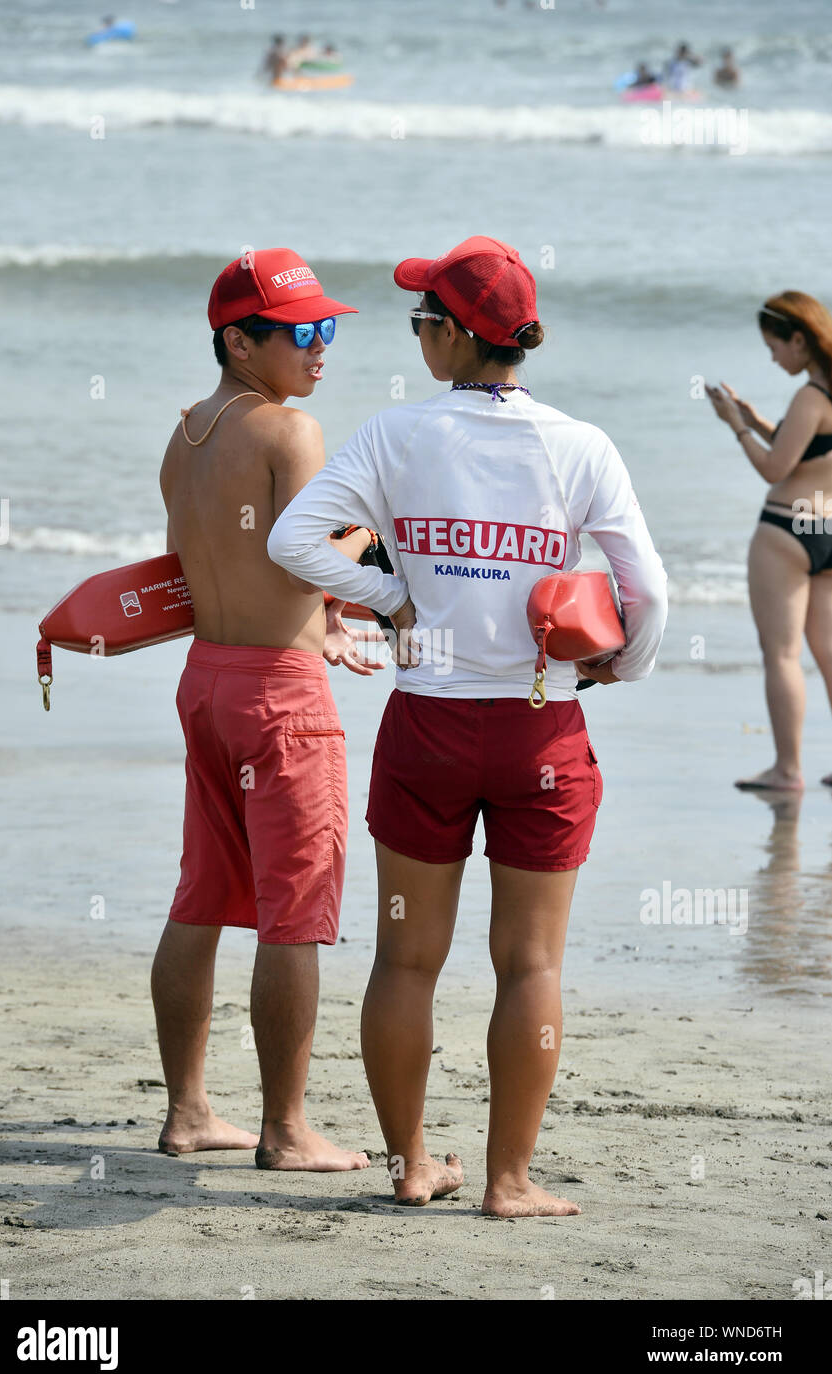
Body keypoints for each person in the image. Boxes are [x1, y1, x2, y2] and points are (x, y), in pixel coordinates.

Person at [268, 236, 668, 1217]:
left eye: (419, 323)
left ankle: (410, 1163)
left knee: (406, 955)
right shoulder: (580, 444)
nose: (415, 338)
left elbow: (290, 540)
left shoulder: (397, 435)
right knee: (529, 962)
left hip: (426, 731)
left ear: (450, 335)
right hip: (540, 728)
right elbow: (647, 589)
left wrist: (389, 599)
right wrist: (619, 662)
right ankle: (507, 1181)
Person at [152, 247, 384, 1170]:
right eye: (303, 333)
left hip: (208, 678)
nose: (322, 349)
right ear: (239, 340)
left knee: (201, 895)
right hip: (282, 698)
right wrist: (371, 544)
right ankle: (286, 1130)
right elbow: (308, 552)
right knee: (295, 911)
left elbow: (209, 562)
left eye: (328, 330)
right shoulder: (292, 432)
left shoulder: (188, 432)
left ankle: (188, 1112)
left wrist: (318, 619)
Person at [706, 292, 832, 792]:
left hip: (785, 532)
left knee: (780, 654)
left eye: (774, 345)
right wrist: (759, 420)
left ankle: (787, 768)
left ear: (798, 339)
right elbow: (808, 448)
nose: (772, 357)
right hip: (825, 530)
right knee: (827, 653)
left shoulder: (810, 396)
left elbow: (775, 468)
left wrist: (736, 427)